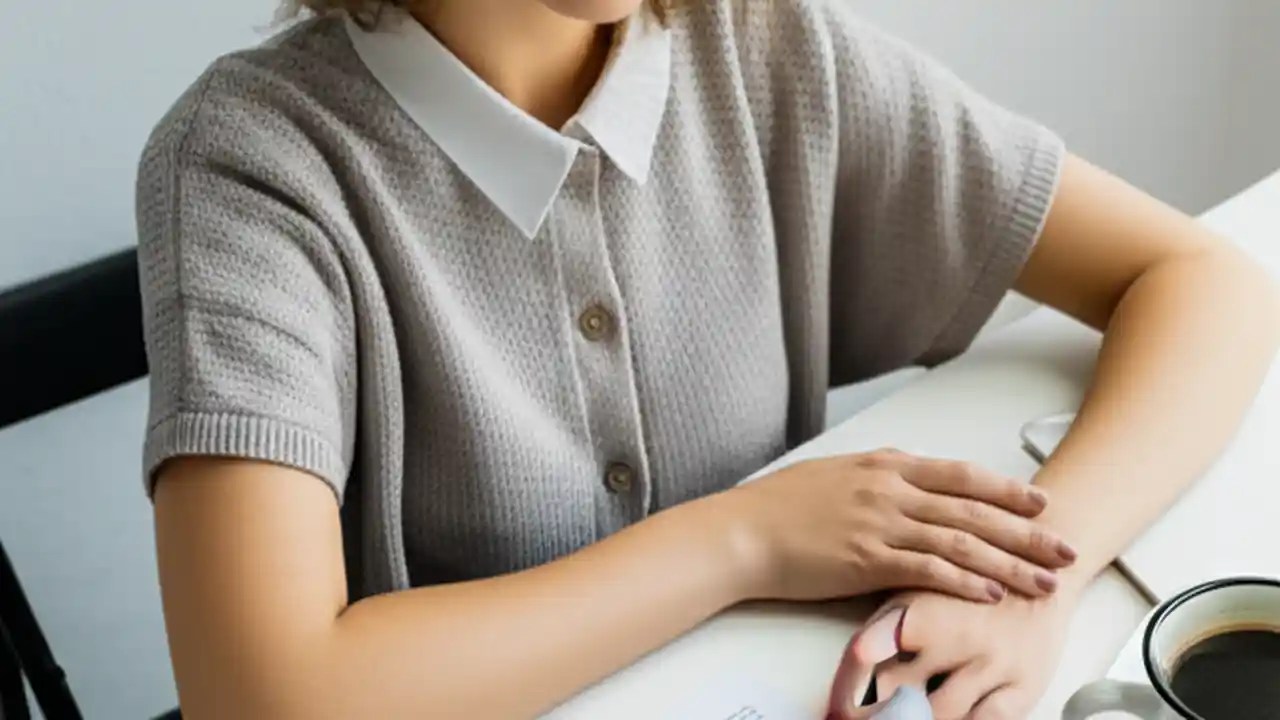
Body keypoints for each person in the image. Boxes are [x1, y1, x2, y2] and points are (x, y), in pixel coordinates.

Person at [134, 0, 1279, 717]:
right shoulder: (246, 167)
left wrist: (1034, 577)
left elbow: (1205, 284)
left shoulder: (760, 46)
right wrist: (744, 538)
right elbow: (263, 695)